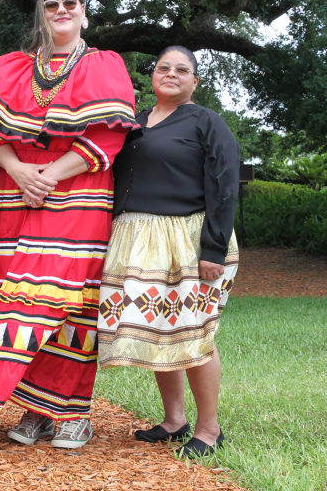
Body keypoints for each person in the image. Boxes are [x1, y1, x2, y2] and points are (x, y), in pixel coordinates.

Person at [0, 0, 139, 449]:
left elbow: (107, 138)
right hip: (12, 197)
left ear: (84, 10)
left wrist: (49, 175)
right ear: (41, 12)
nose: (61, 10)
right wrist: (20, 172)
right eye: (51, 4)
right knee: (2, 301)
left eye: (69, 3)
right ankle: (35, 409)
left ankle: (72, 412)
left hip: (77, 195)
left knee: (63, 302)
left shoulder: (104, 65)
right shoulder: (10, 68)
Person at [97, 45, 240, 458]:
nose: (172, 74)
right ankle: (175, 419)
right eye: (164, 68)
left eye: (182, 70)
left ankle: (210, 429)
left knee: (194, 332)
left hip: (189, 239)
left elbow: (225, 184)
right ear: (153, 75)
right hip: (138, 239)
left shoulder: (206, 122)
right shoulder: (135, 122)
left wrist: (212, 248)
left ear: (195, 81)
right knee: (164, 330)